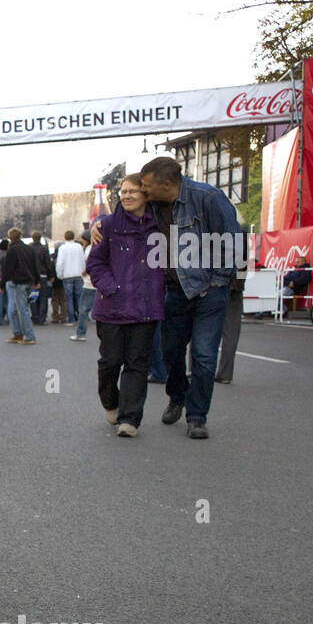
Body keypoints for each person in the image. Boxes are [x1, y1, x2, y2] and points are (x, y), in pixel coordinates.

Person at [140, 156, 245, 439]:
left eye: (147, 186)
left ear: (166, 184)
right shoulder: (151, 203)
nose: (143, 190)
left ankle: (197, 416)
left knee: (204, 355)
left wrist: (218, 280)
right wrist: (100, 227)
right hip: (174, 291)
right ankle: (177, 396)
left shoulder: (208, 197)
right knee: (170, 352)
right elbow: (123, 216)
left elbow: (234, 239)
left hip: (208, 291)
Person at [85, 177, 164, 437]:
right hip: (112, 307)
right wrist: (111, 288)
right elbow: (95, 264)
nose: (126, 196)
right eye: (123, 191)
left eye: (132, 191)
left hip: (146, 309)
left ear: (146, 194)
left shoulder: (161, 226)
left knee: (137, 364)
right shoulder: (107, 226)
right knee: (110, 362)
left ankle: (130, 419)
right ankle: (110, 402)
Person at [2, 228, 38, 345]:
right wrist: (37, 280)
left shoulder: (12, 250)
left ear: (10, 237)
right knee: (19, 309)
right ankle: (19, 333)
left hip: (18, 282)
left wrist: (2, 283)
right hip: (29, 281)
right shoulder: (29, 249)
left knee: (20, 310)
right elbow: (35, 265)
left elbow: (8, 269)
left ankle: (28, 335)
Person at [54, 231, 85, 323]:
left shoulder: (62, 248)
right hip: (78, 274)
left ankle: (71, 319)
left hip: (67, 275)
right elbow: (82, 260)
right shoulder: (79, 247)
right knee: (79, 297)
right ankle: (81, 318)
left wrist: (59, 274)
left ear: (65, 237)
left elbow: (60, 263)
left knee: (69, 298)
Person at [71, 233, 97, 341]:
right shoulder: (100, 247)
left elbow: (89, 264)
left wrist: (84, 272)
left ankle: (80, 333)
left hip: (89, 283)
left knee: (83, 310)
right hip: (99, 283)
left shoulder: (89, 249)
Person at [28, 231, 54, 326]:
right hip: (43, 276)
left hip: (32, 277)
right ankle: (42, 318)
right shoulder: (44, 249)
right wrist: (51, 275)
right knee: (43, 298)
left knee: (33, 298)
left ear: (32, 238)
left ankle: (34, 317)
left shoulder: (29, 249)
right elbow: (48, 264)